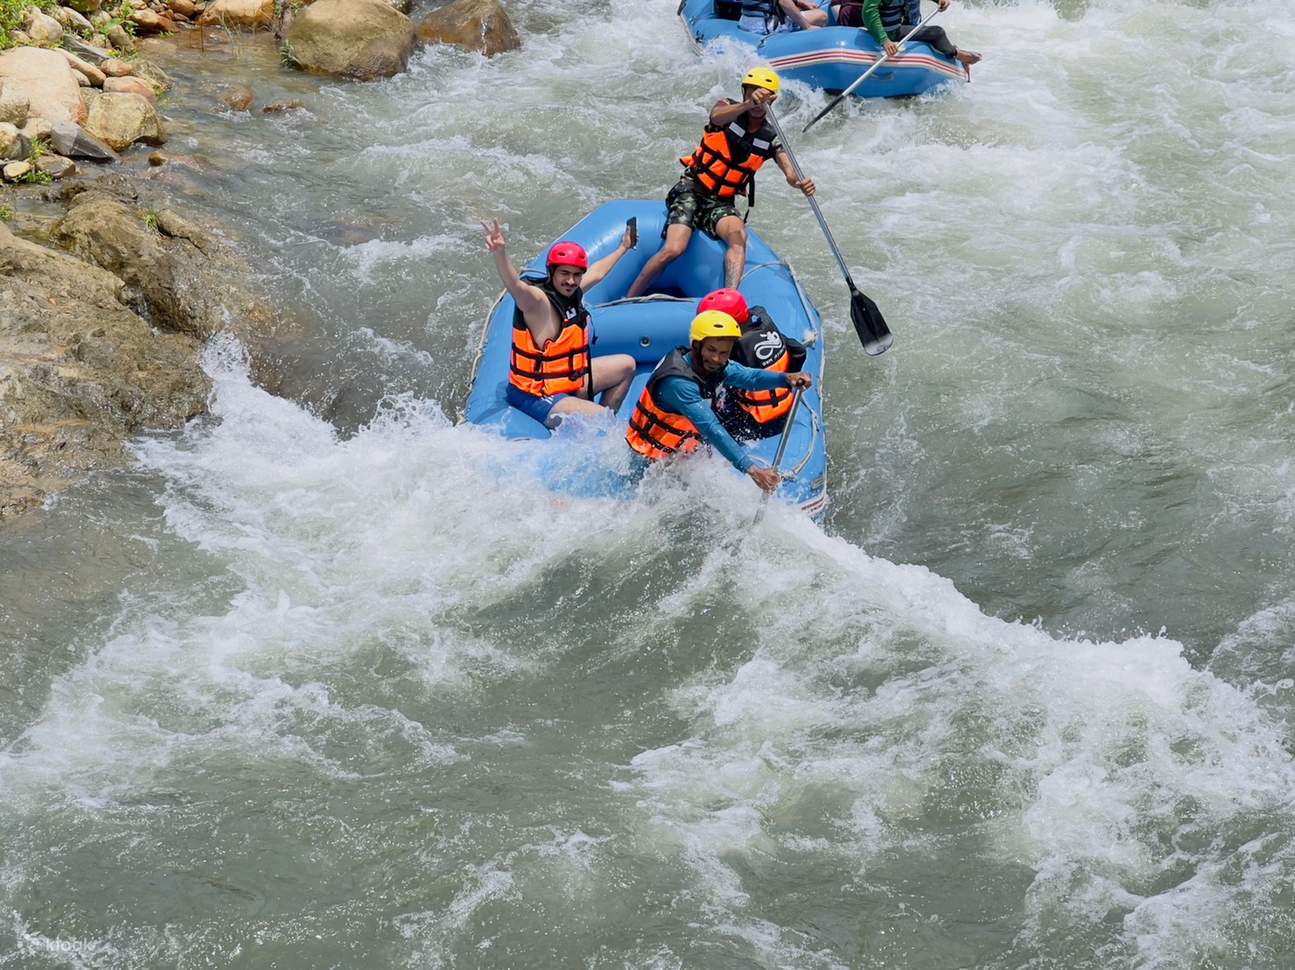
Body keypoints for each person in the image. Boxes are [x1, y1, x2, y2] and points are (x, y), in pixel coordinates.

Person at [625, 68, 816, 299]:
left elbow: (790, 172)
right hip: (691, 190)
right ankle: (630, 296)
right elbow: (716, 116)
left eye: (765, 97)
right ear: (745, 92)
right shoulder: (728, 109)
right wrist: (749, 104)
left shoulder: (771, 137)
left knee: (738, 237)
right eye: (753, 93)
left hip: (721, 202)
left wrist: (799, 183)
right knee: (674, 249)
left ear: (773, 100)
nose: (759, 102)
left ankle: (729, 299)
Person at [625, 309, 812, 493]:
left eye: (724, 352)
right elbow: (711, 428)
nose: (717, 358)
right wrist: (753, 471)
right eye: (711, 350)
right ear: (696, 346)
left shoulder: (713, 365)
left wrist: (786, 379)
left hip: (681, 453)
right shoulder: (678, 383)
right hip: (649, 464)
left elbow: (751, 378)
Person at [483, 219, 637, 429]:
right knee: (603, 418)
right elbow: (515, 287)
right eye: (564, 273)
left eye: (576, 275)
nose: (571, 281)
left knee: (627, 365)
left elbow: (598, 272)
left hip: (564, 380)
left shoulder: (571, 292)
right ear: (551, 272)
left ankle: (596, 427)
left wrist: (623, 247)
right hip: (536, 394)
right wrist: (500, 253)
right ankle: (599, 424)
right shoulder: (537, 302)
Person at [696, 288, 807, 440]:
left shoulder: (734, 348)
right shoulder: (763, 326)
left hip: (755, 424)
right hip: (786, 412)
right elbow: (799, 350)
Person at [834, 0, 981, 66]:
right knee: (938, 32)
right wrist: (884, 40)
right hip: (891, 33)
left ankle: (951, 54)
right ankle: (957, 53)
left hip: (904, 26)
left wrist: (939, 1)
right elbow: (868, 11)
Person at [738, 0, 830, 33]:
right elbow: (784, 2)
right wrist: (807, 27)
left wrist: (798, 2)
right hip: (764, 26)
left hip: (746, 21)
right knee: (821, 16)